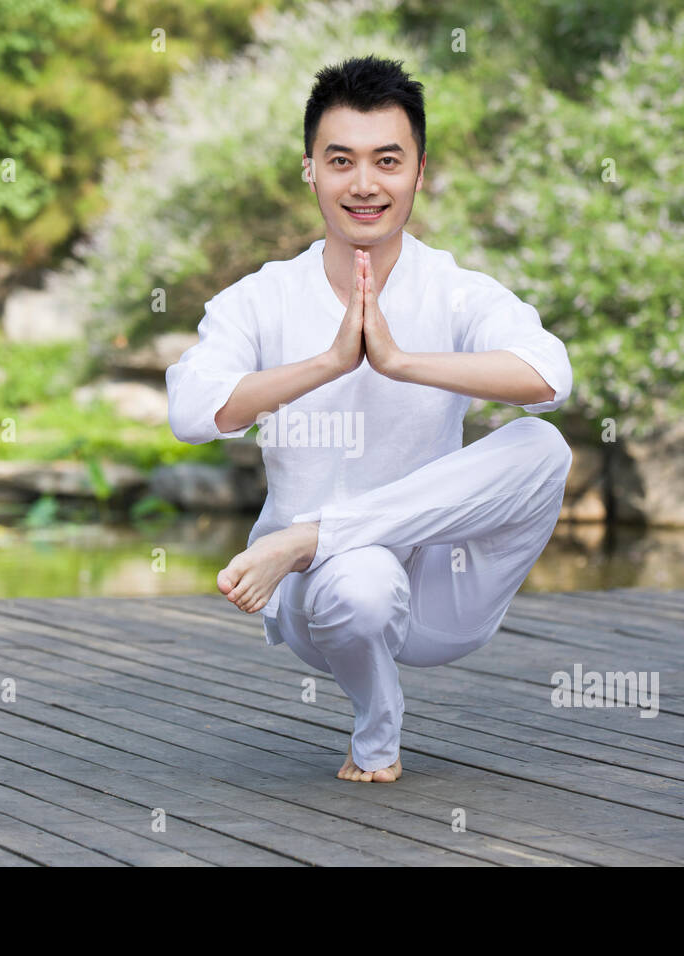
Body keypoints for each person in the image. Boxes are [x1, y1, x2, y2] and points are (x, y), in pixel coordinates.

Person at [165, 55, 573, 783]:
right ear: (309, 171)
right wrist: (326, 363)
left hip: (440, 586)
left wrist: (400, 360)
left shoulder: (452, 289)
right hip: (323, 596)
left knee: (542, 447)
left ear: (420, 172)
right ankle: (376, 727)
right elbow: (193, 411)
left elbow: (548, 376)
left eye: (388, 160)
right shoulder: (261, 299)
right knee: (356, 581)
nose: (364, 184)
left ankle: (308, 538)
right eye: (340, 160)